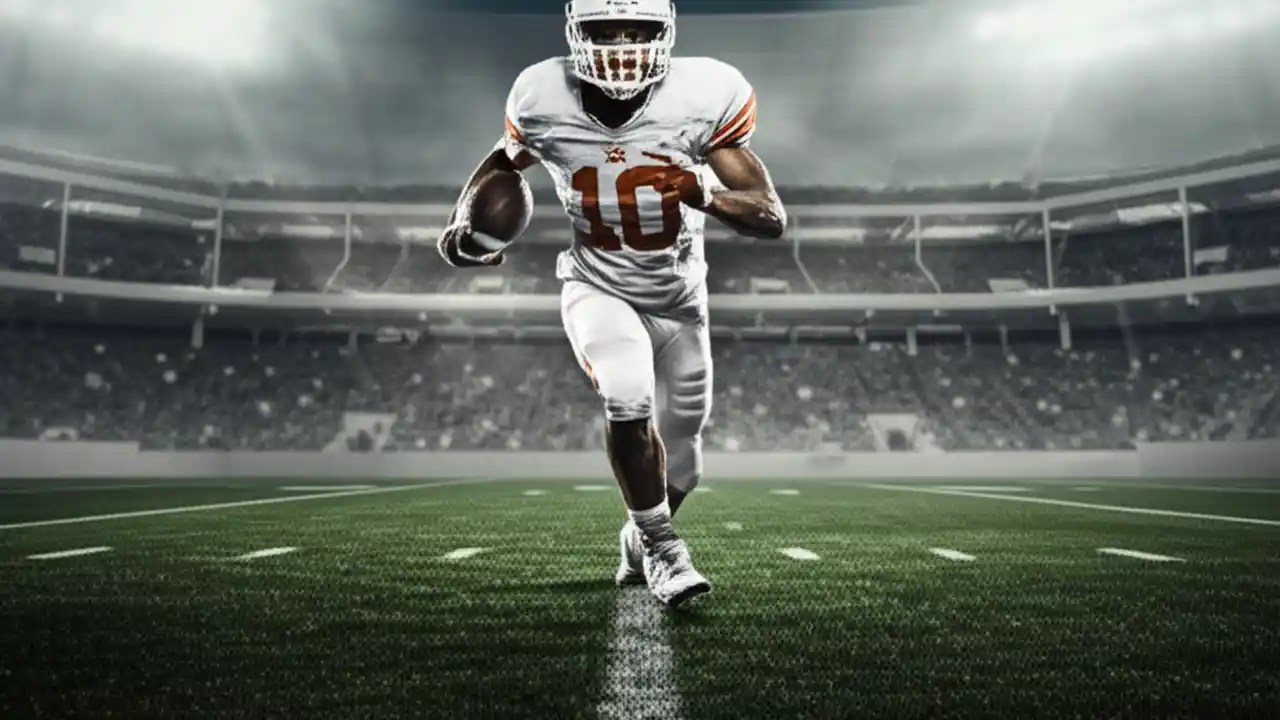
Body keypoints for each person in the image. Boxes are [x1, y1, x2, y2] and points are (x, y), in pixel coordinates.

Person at [438, 0, 786, 607]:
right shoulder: (543, 96)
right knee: (626, 391)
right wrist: (466, 229)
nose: (623, 47)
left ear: (665, 34)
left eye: (637, 31)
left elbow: (770, 216)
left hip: (680, 303)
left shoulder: (704, 95)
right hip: (598, 285)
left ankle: (638, 536)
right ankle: (664, 548)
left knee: (686, 460)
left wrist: (704, 193)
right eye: (605, 32)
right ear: (577, 34)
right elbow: (501, 161)